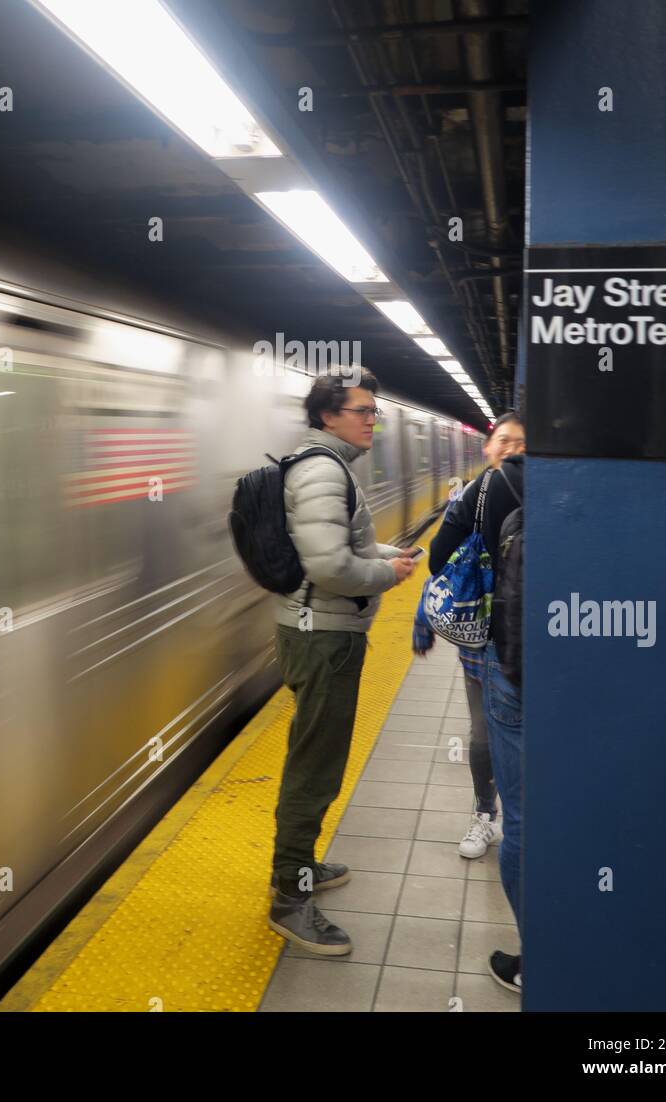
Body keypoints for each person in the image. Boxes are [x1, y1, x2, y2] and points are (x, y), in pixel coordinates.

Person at [268, 367, 417, 956]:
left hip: (322, 632)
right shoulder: (323, 472)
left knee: (317, 758)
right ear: (328, 415)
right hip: (323, 636)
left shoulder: (324, 468)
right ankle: (290, 895)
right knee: (316, 767)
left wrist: (385, 554)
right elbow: (331, 568)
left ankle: (301, 865)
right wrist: (387, 575)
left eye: (373, 411)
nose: (372, 420)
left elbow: (333, 547)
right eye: (363, 411)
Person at [427, 412, 525, 859]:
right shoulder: (482, 493)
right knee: (487, 732)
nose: (510, 448)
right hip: (497, 634)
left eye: (519, 442)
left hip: (497, 633)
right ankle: (487, 813)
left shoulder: (477, 493)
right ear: (486, 446)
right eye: (503, 440)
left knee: (490, 733)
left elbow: (439, 559)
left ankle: (497, 817)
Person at [482, 479, 524, 993]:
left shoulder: (510, 506)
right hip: (539, 686)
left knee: (522, 821)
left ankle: (537, 958)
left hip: (512, 679)